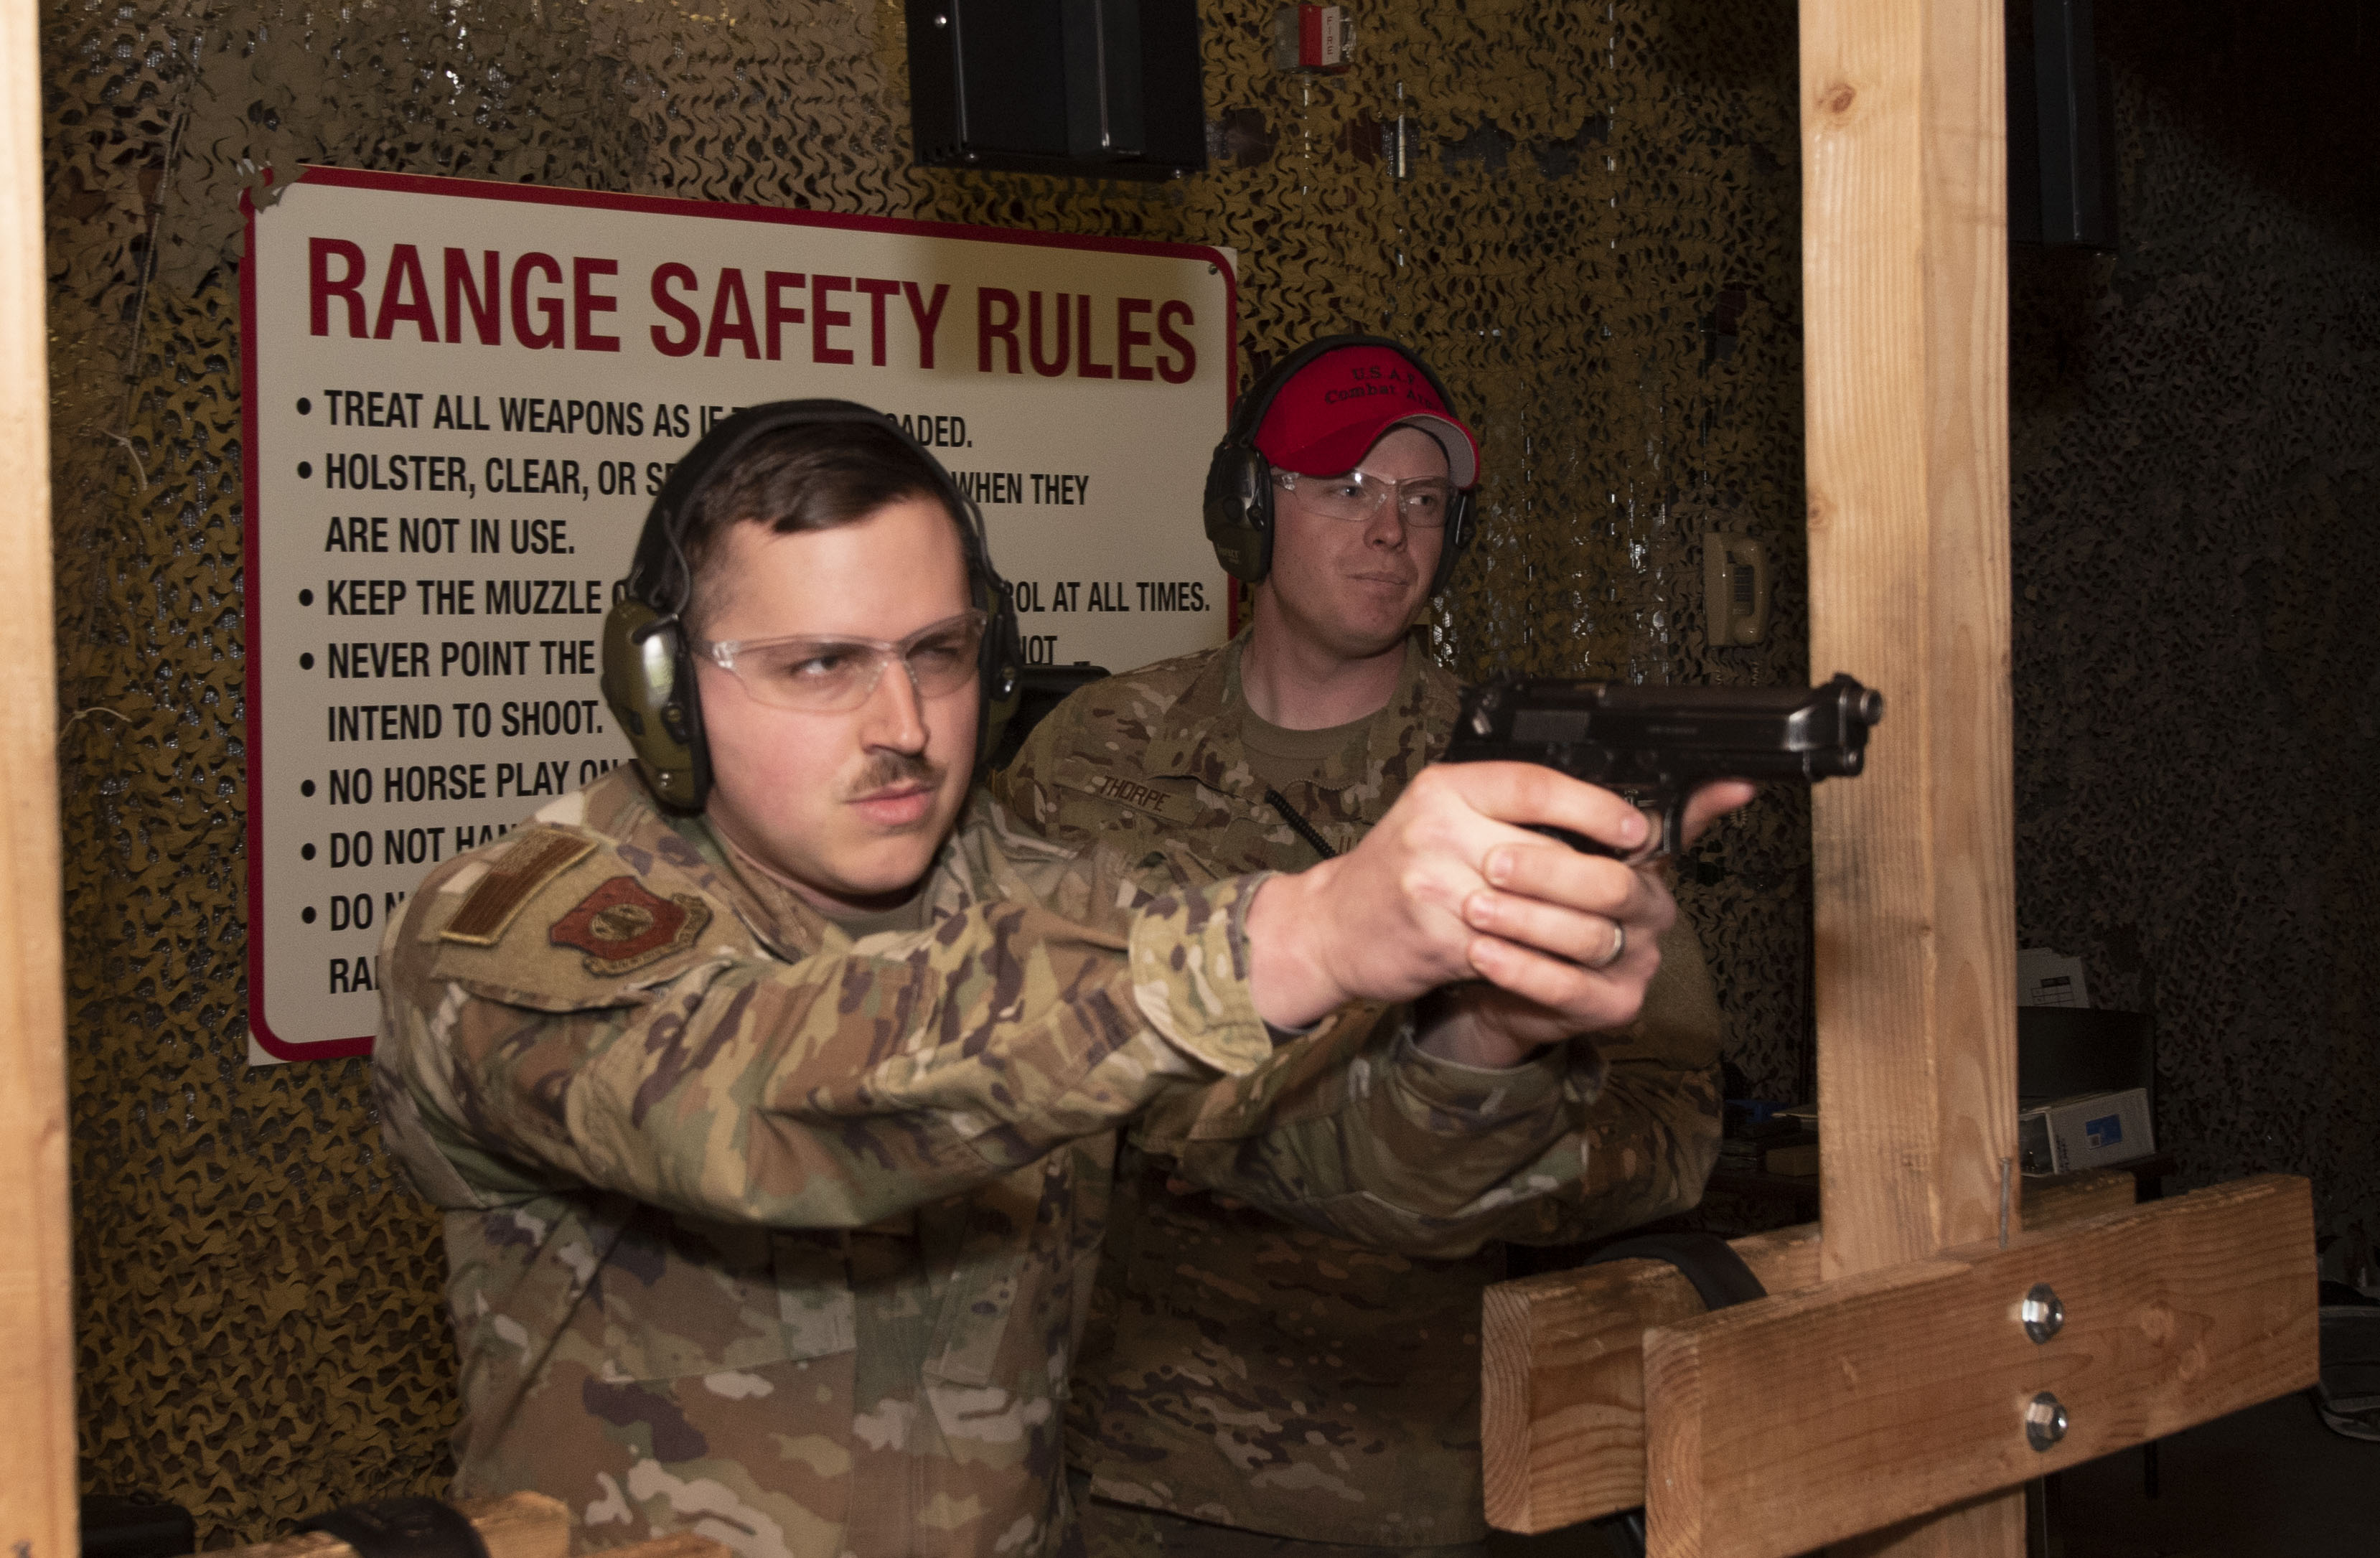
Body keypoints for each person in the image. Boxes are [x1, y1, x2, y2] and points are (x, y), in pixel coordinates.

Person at [372, 401, 1745, 1558]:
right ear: (665, 685)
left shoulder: (1046, 895)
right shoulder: (522, 927)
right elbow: (764, 1101)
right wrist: (1306, 936)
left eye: (939, 654)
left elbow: (1345, 1170)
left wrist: (1481, 1028)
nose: (902, 726)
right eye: (819, 667)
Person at [990, 339, 1735, 1557]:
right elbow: (987, 1052)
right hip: (1117, 1471)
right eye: (1344, 488)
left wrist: (1475, 1144)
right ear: (1245, 511)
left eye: (1424, 501)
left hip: (1417, 1485)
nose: (1391, 530)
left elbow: (1673, 1120)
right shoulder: (1092, 754)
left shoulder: (1529, 779)